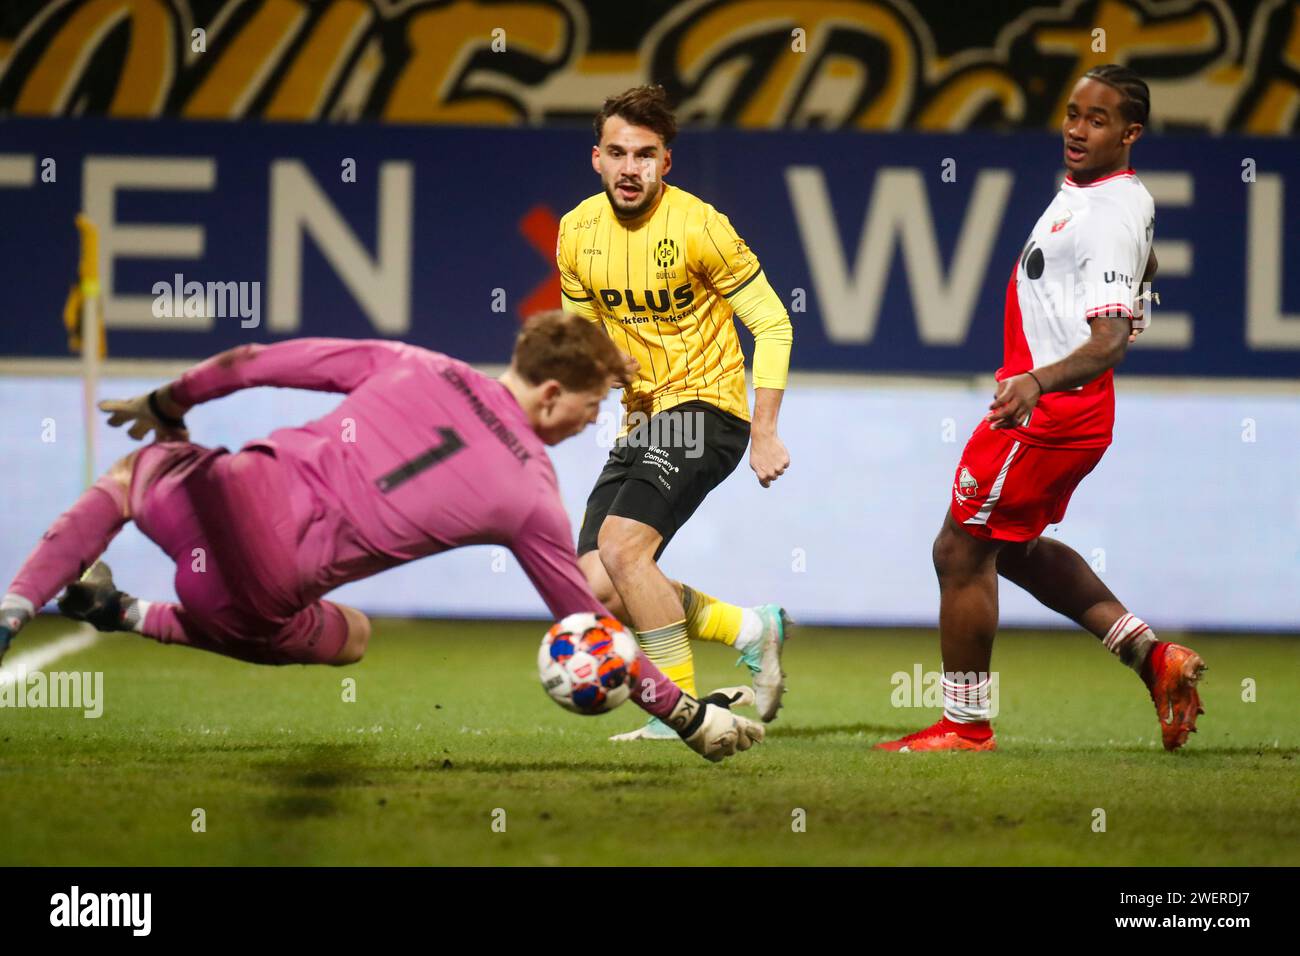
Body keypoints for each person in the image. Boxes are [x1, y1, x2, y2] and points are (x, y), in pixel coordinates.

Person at [0, 312, 764, 763]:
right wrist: (691, 719)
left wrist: (172, 398)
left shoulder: (412, 363)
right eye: (593, 406)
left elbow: (259, 362)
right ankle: (129, 614)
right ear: (553, 392)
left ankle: (18, 602)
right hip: (256, 601)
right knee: (349, 637)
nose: (593, 422)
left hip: (219, 503)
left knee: (134, 477)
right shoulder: (527, 494)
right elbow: (589, 625)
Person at [876, 65, 1205, 753]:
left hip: (1047, 414)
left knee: (959, 549)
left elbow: (1110, 338)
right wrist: (1136, 301)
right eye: (1072, 113)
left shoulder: (1108, 212)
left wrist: (1036, 382)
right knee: (1012, 547)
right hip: (1065, 412)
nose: (1078, 129)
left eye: (1098, 119)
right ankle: (1151, 656)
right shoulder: (1114, 196)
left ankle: (965, 727)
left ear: (1130, 132)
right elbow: (1144, 276)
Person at [557, 85, 795, 739]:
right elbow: (581, 343)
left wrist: (766, 431)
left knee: (622, 548)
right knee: (600, 583)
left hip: (708, 408)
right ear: (596, 159)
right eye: (617, 152)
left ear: (667, 162)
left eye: (645, 154)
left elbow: (772, 325)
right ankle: (750, 628)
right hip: (643, 419)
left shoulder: (699, 227)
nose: (630, 167)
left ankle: (677, 712)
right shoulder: (576, 233)